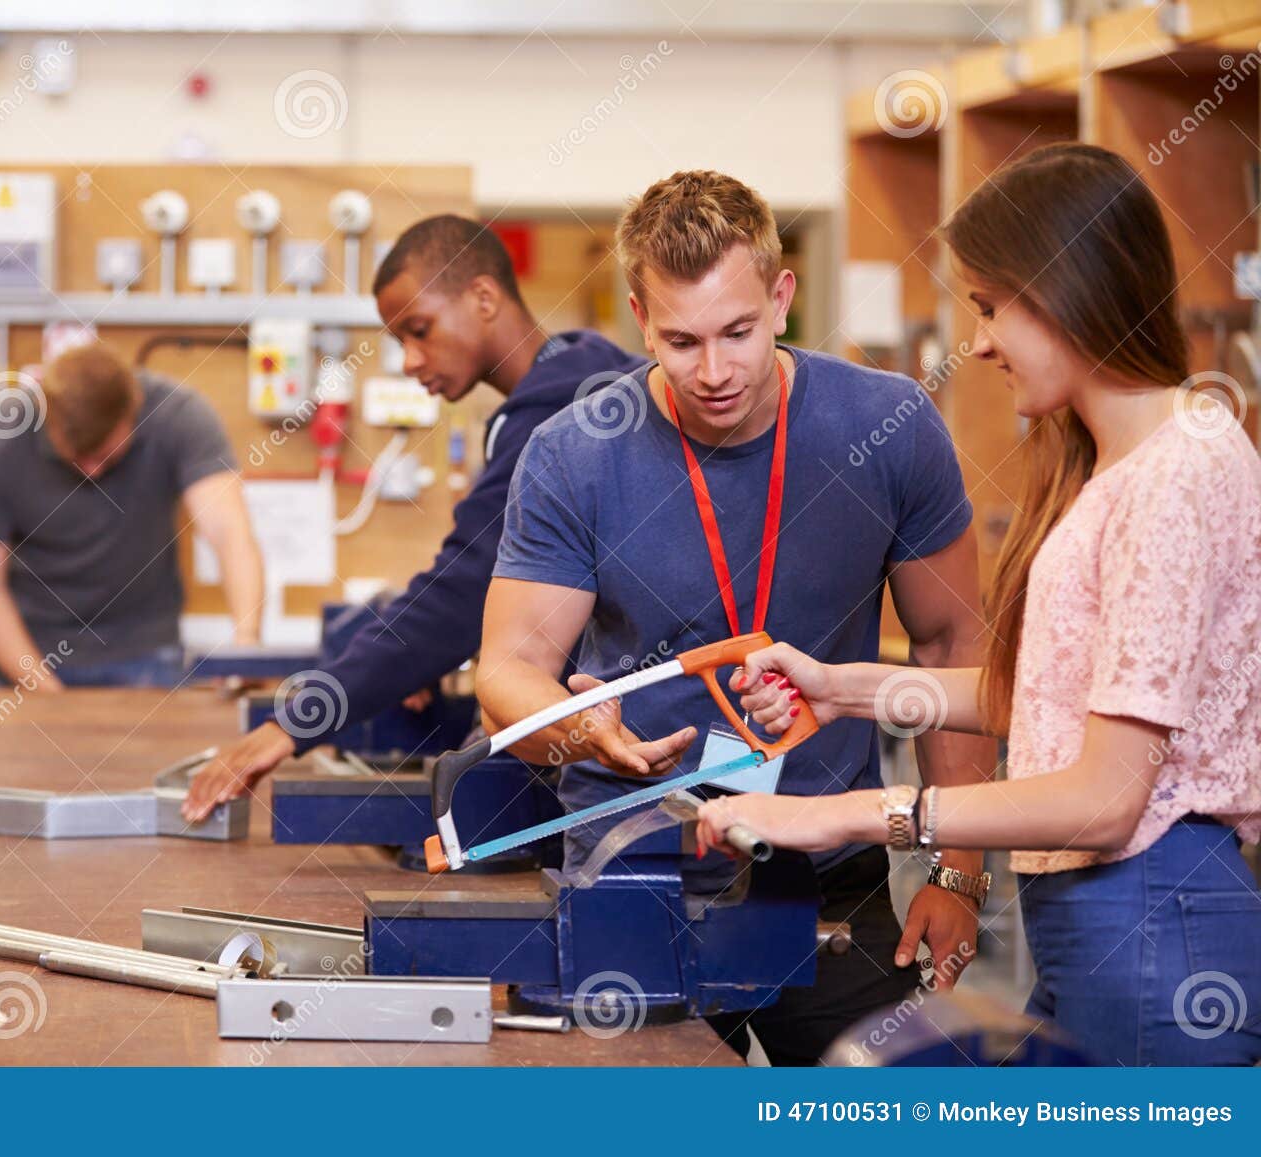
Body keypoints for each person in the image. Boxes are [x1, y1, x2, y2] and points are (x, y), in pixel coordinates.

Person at [696, 143, 1261, 1067]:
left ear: (1069, 288)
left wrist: (850, 815)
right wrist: (841, 687)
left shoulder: (1176, 471)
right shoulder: (1114, 465)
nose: (985, 340)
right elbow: (1049, 703)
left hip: (1154, 922)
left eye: (994, 308)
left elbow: (1108, 797)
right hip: (1098, 923)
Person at [476, 170, 995, 1065]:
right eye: (680, 341)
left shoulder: (891, 428)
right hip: (634, 876)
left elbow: (952, 642)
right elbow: (506, 671)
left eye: (737, 333)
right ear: (639, 316)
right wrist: (573, 730)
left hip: (832, 875)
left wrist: (961, 873)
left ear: (783, 297)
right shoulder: (575, 452)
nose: (713, 372)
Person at [182, 215, 647, 822]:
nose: (408, 360)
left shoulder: (555, 415)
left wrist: (293, 723)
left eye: (419, 330)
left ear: (484, 297)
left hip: (632, 753)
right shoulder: (577, 379)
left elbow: (460, 595)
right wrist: (417, 651)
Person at [0, 342, 264, 689]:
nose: (92, 470)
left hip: (146, 657)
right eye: (78, 455)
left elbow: (229, 534)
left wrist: (247, 644)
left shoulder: (179, 416)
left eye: (103, 454)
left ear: (133, 410)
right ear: (47, 417)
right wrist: (45, 692)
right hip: (27, 657)